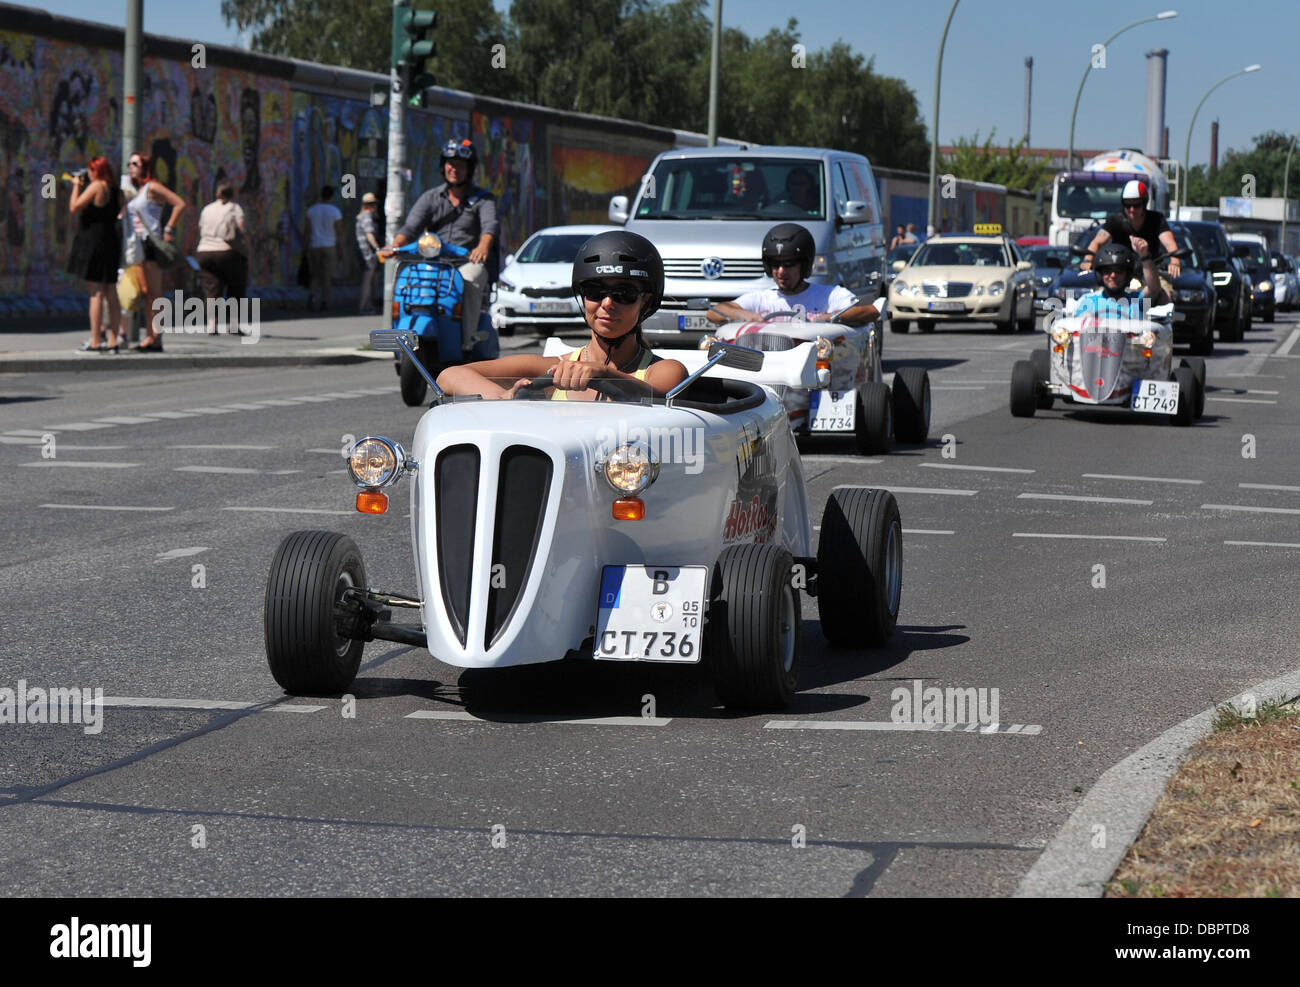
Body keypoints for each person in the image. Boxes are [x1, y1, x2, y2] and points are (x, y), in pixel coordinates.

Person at [436, 230, 686, 401]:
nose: (607, 303)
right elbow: (449, 376)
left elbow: (662, 396)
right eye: (595, 291)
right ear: (581, 296)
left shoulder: (663, 370)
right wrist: (504, 397)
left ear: (647, 302)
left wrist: (603, 374)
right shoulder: (552, 368)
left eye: (624, 293)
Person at [380, 138, 498, 353]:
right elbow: (410, 228)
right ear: (443, 166)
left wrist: (482, 247)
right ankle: (395, 335)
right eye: (450, 164)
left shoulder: (483, 199)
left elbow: (489, 227)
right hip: (433, 262)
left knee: (470, 279)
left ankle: (467, 339)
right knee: (405, 280)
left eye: (461, 165)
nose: (454, 169)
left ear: (469, 170)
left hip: (466, 262)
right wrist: (394, 245)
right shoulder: (431, 197)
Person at [706, 223, 880, 327]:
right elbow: (713, 314)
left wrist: (826, 318)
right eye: (775, 264)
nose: (781, 271)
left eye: (789, 264)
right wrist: (744, 315)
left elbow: (870, 312)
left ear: (804, 265)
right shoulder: (760, 300)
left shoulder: (830, 295)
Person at [124, 151, 187, 352]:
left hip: (151, 243)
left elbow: (179, 203)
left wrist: (168, 229)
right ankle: (150, 336)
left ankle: (156, 338)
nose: (130, 167)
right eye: (129, 164)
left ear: (144, 167)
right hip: (137, 244)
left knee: (154, 294)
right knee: (144, 293)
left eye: (134, 163)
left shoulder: (152, 187)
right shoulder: (137, 190)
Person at [65, 156, 123, 352]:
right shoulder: (117, 190)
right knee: (111, 291)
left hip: (93, 242)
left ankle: (96, 340)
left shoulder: (97, 186)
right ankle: (114, 340)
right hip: (111, 241)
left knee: (95, 292)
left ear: (97, 171)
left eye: (91, 169)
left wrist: (76, 185)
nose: (89, 173)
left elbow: (74, 207)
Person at [1081, 179, 1180, 292]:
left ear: (1144, 203)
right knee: (1099, 294)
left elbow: (1169, 242)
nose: (1132, 209)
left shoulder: (1157, 219)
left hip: (1151, 271)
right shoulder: (1115, 221)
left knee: (1165, 294)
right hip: (1121, 272)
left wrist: (1175, 261)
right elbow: (1096, 242)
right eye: (1128, 205)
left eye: (1136, 205)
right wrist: (1088, 260)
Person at [195, 183, 250, 335]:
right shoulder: (234, 208)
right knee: (236, 288)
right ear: (232, 194)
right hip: (228, 252)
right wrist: (248, 248)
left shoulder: (207, 209)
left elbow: (200, 229)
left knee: (211, 290)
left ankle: (212, 325)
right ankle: (233, 325)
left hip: (205, 251)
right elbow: (242, 228)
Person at [1073, 239, 1169, 323]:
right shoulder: (1088, 301)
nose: (1113, 275)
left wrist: (1145, 257)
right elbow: (1075, 328)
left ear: (1128, 275)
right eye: (1107, 272)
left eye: (1118, 271)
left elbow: (1154, 289)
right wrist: (1085, 320)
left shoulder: (1136, 301)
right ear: (1100, 275)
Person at [304, 185, 343, 311]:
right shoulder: (335, 211)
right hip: (329, 246)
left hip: (314, 245)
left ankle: (312, 296)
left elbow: (307, 231)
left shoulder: (312, 211)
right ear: (331, 196)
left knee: (314, 275)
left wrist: (305, 247)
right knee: (327, 276)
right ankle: (325, 301)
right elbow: (339, 232)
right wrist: (340, 249)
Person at [355, 191, 382, 314]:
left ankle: (368, 304)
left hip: (363, 252)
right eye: (372, 205)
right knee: (368, 280)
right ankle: (363, 306)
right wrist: (377, 247)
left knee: (370, 279)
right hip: (367, 253)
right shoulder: (367, 216)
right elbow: (369, 234)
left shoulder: (361, 217)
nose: (374, 207)